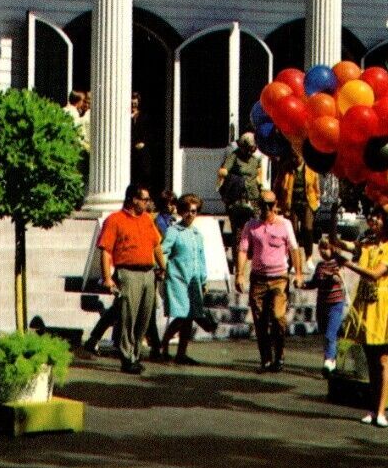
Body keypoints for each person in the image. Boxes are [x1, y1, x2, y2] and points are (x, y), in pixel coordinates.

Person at [336, 203, 388, 428]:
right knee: (370, 360)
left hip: (381, 304)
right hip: (365, 302)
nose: (373, 220)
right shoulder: (367, 244)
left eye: (377, 216)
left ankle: (381, 410)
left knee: (382, 359)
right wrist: (331, 233)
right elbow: (347, 245)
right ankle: (372, 408)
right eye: (371, 216)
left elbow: (376, 274)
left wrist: (347, 264)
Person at [95, 184, 165, 374]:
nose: (148, 203)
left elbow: (156, 245)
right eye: (145, 199)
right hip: (127, 272)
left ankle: (135, 353)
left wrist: (163, 267)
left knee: (144, 316)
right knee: (128, 316)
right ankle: (127, 357)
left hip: (148, 272)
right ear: (133, 199)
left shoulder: (147, 220)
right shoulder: (115, 220)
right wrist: (107, 278)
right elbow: (105, 251)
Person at [235, 189, 304, 372]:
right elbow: (243, 249)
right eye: (262, 205)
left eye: (270, 205)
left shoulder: (285, 224)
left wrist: (298, 274)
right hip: (258, 279)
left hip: (279, 278)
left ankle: (279, 355)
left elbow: (294, 249)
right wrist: (239, 274)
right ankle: (265, 359)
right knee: (260, 320)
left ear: (275, 206)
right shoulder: (251, 225)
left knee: (278, 317)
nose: (266, 208)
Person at [158, 194, 208, 365]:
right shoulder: (173, 231)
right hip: (177, 278)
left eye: (194, 211)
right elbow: (163, 251)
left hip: (193, 280)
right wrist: (163, 269)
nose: (190, 214)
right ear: (181, 211)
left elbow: (201, 259)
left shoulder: (197, 234)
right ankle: (163, 344)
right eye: (186, 211)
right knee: (182, 315)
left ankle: (182, 352)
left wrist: (203, 280)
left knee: (190, 315)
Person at [304, 235, 349, 373]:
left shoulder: (338, 263)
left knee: (330, 334)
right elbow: (314, 283)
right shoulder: (320, 265)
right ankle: (331, 360)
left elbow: (340, 277)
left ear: (333, 249)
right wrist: (303, 284)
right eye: (320, 249)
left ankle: (329, 362)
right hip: (322, 304)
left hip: (335, 304)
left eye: (326, 248)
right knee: (327, 333)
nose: (323, 251)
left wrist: (335, 277)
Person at [217, 131, 264, 247]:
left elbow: (258, 175)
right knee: (238, 231)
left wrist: (262, 187)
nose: (250, 152)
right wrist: (226, 177)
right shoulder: (234, 156)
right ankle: (238, 257)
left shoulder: (255, 160)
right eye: (249, 148)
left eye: (253, 149)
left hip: (253, 197)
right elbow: (223, 170)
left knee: (256, 227)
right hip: (237, 198)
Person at [129, 91, 150, 187]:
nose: (133, 106)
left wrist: (143, 142)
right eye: (132, 104)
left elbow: (147, 132)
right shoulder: (125, 116)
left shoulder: (143, 116)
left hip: (140, 150)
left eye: (135, 104)